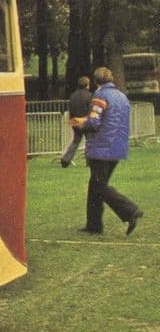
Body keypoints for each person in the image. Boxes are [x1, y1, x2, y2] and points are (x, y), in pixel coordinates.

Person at [71, 67, 143, 235]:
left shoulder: (99, 96)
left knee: (99, 186)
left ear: (96, 81)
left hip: (102, 148)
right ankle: (94, 225)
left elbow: (95, 122)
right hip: (117, 148)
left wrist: (81, 121)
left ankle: (130, 210)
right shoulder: (122, 96)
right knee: (94, 185)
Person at [61, 76, 92, 168]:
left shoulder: (73, 95)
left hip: (75, 121)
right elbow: (90, 110)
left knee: (75, 141)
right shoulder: (89, 95)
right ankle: (89, 161)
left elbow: (71, 108)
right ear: (87, 85)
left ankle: (66, 159)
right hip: (85, 121)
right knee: (89, 141)